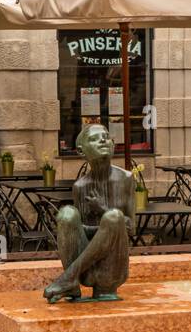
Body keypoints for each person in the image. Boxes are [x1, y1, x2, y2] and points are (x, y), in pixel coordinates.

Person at [43, 124, 135, 303]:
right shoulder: (80, 187)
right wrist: (102, 230)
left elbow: (131, 229)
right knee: (66, 214)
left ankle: (68, 277)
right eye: (94, 138)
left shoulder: (126, 179)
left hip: (111, 268)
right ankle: (72, 284)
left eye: (106, 137)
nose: (103, 140)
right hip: (88, 269)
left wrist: (103, 211)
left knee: (113, 216)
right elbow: (80, 234)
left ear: (113, 145)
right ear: (81, 151)